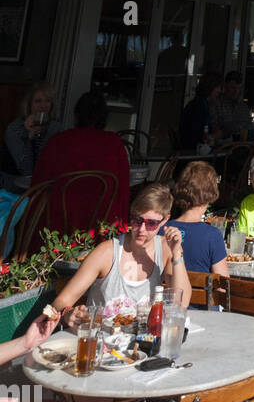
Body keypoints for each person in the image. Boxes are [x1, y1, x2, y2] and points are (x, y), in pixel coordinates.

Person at [51, 183, 191, 325]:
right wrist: (68, 313)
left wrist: (176, 253)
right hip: (101, 339)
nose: (141, 229)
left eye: (151, 223)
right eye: (137, 220)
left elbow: (181, 304)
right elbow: (59, 302)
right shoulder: (107, 253)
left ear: (164, 220)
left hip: (141, 341)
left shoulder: (166, 249)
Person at [31, 90, 129, 231]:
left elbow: (38, 184)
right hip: (100, 226)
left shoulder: (58, 141)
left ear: (76, 115)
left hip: (56, 227)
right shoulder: (114, 143)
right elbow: (122, 190)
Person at [166, 160, 229, 280]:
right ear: (211, 195)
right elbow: (222, 286)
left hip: (170, 297)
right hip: (201, 298)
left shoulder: (163, 230)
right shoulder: (213, 236)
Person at [2, 82, 63, 176]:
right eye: (38, 101)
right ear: (29, 104)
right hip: (14, 183)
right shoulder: (14, 129)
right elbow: (26, 170)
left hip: (43, 183)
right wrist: (29, 136)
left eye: (48, 100)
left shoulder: (54, 127)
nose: (43, 105)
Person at [179, 73, 223, 150]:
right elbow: (195, 135)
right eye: (217, 87)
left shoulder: (201, 104)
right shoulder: (198, 106)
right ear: (209, 87)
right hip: (192, 152)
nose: (219, 90)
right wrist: (214, 136)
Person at [210, 72, 253, 143]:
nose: (236, 91)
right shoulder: (216, 104)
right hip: (219, 148)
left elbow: (249, 128)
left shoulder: (243, 107)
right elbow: (212, 128)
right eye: (233, 88)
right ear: (225, 86)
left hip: (241, 148)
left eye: (239, 88)